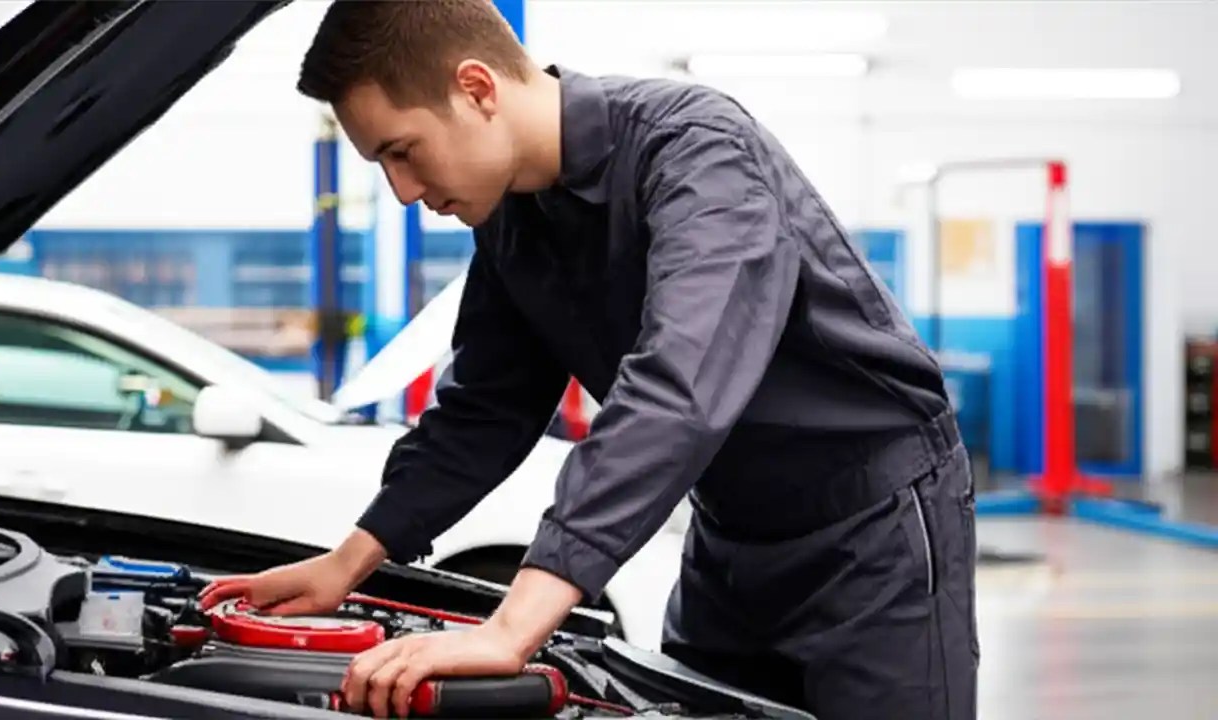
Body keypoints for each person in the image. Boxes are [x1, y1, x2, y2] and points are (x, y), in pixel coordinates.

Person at [199, 1, 979, 717]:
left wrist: (513, 627)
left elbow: (679, 389)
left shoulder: (699, 152)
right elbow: (484, 409)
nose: (403, 191)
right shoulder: (513, 223)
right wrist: (348, 561)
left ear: (476, 89)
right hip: (730, 534)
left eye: (404, 152)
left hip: (874, 528)